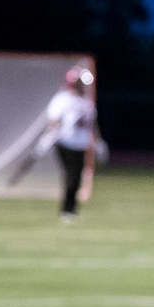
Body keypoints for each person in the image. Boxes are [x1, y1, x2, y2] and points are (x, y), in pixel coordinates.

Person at [45, 66, 98, 222]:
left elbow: (92, 124)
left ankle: (72, 209)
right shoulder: (62, 99)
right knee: (71, 175)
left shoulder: (86, 102)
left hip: (80, 145)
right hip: (65, 142)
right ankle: (67, 210)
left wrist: (98, 141)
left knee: (77, 177)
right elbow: (54, 120)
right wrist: (49, 136)